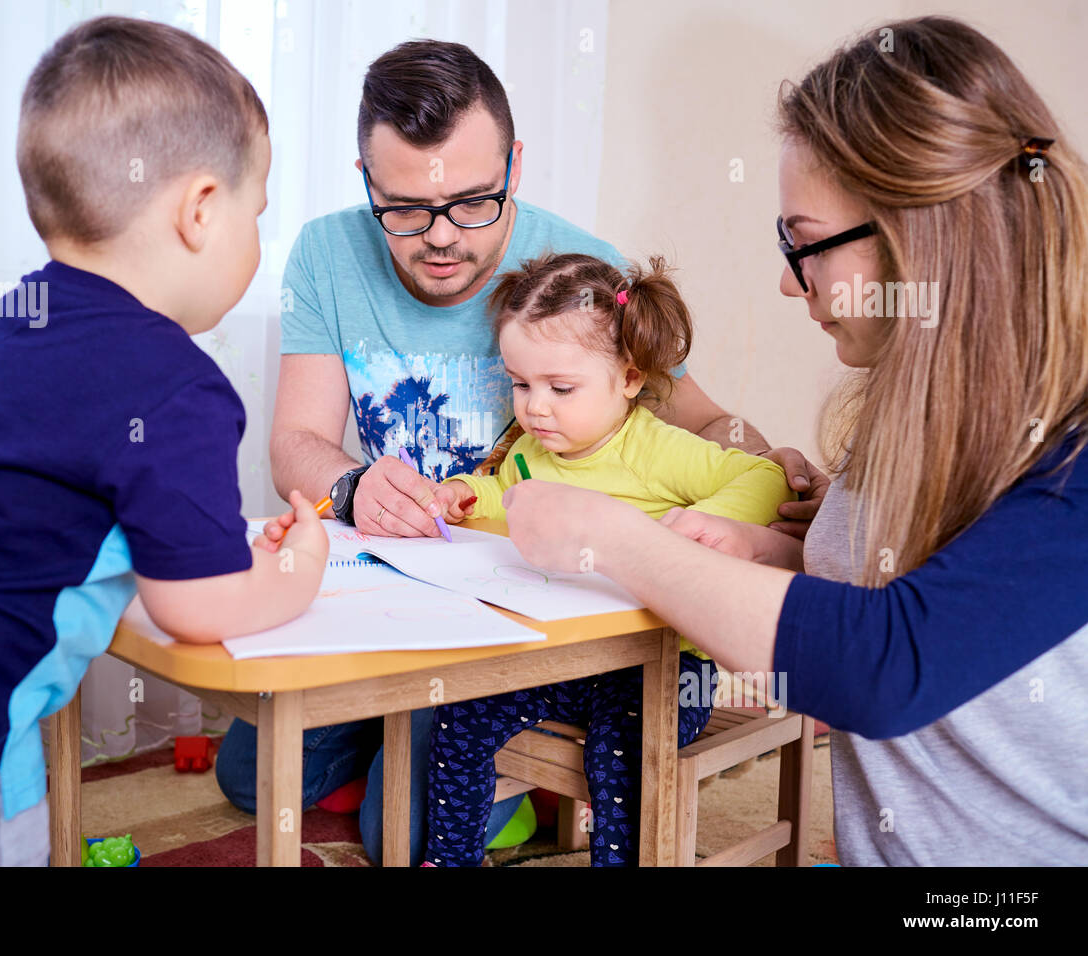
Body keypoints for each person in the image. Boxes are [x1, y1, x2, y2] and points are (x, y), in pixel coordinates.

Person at [499, 16, 1088, 865]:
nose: (786, 279)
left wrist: (612, 541)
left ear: (922, 235)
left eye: (804, 244)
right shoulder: (914, 414)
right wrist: (774, 548)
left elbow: (886, 662)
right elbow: (936, 590)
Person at [222, 38, 826, 865]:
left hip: (511, 619)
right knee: (249, 774)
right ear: (365, 179)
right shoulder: (326, 253)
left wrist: (767, 470)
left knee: (402, 828)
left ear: (515, 164)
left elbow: (699, 421)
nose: (439, 238)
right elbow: (296, 442)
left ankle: (491, 766)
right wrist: (356, 486)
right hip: (404, 579)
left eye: (473, 202)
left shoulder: (577, 275)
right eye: (403, 209)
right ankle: (418, 741)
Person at [0, 16, 328, 866]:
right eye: (257, 214)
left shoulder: (13, 323)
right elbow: (197, 606)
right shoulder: (178, 383)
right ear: (199, 210)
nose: (260, 244)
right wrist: (301, 568)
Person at [410, 251, 792, 865]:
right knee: (463, 713)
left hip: (665, 674)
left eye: (561, 388)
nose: (535, 407)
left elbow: (761, 476)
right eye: (520, 383)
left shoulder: (656, 449)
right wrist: (464, 494)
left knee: (620, 749)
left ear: (631, 379)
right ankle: (448, 857)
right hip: (564, 661)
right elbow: (508, 500)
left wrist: (698, 529)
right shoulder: (533, 449)